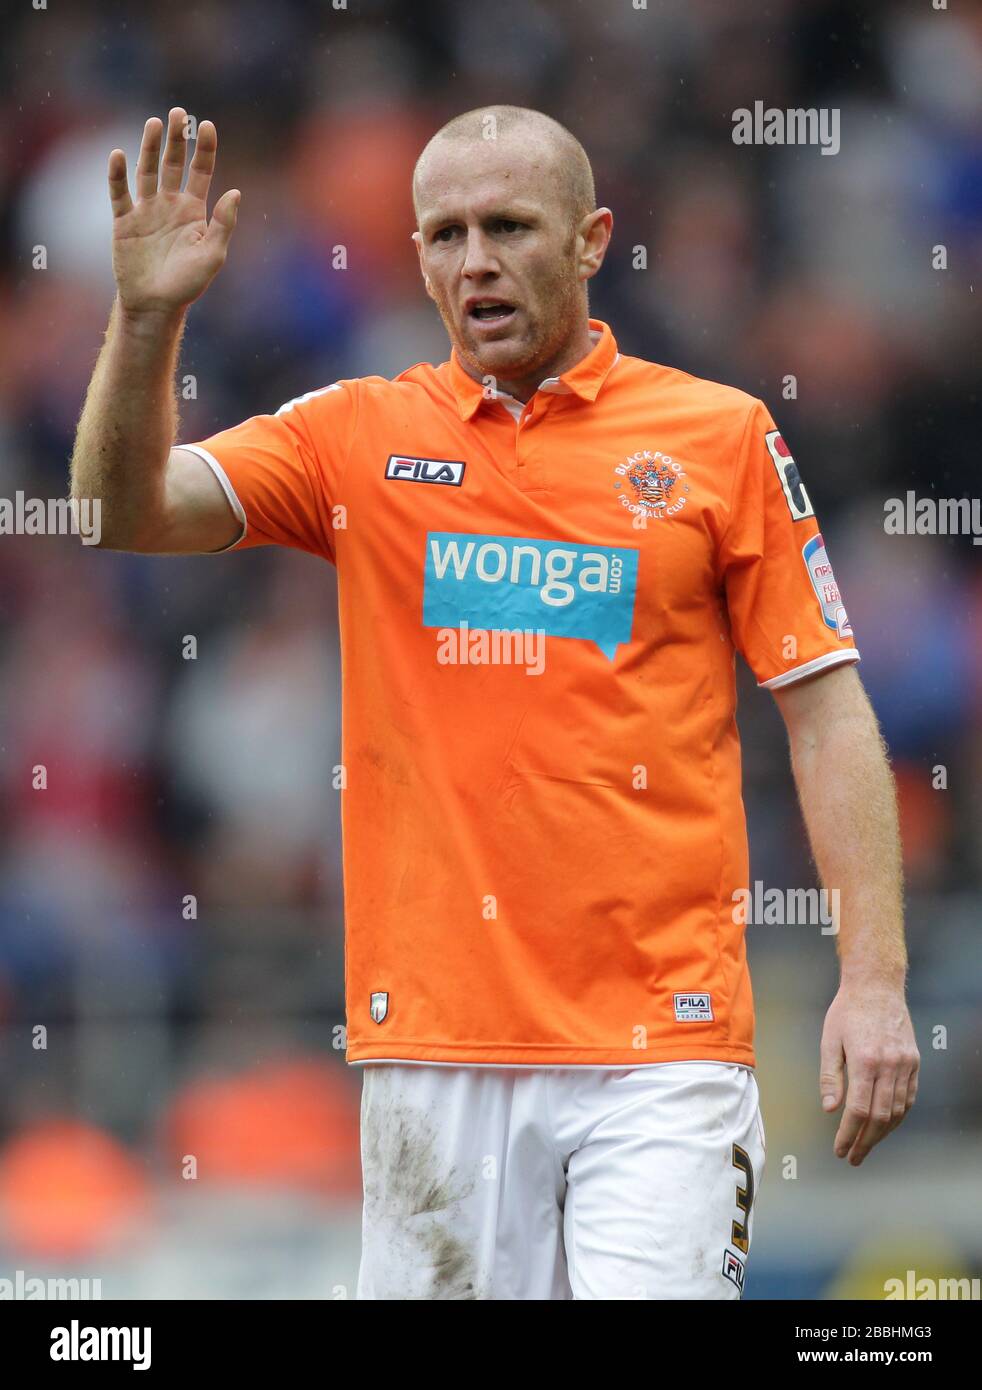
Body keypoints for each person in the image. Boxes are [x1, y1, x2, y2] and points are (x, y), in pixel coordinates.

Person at [70, 104, 919, 1301]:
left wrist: (871, 979)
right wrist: (148, 318)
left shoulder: (719, 437)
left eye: (510, 226)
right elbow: (119, 511)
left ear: (590, 239)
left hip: (662, 1047)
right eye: (443, 234)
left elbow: (826, 709)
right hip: (434, 1052)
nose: (474, 262)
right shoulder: (352, 436)